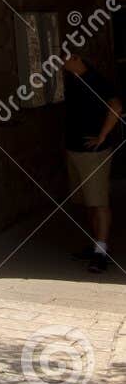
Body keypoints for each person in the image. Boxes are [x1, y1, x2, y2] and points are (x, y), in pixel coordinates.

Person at [63, 51, 122, 274]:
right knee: (87, 202)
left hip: (93, 153)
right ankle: (96, 243)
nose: (61, 63)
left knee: (98, 202)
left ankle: (101, 252)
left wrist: (102, 136)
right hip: (74, 150)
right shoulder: (73, 80)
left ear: (77, 58)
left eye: (64, 59)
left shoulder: (96, 80)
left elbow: (116, 106)